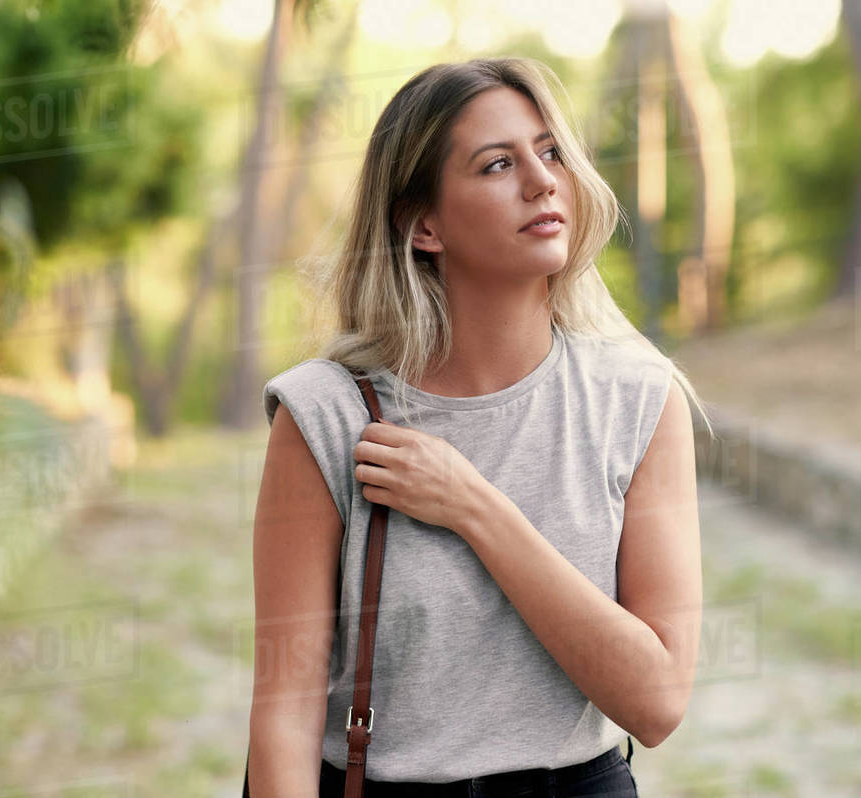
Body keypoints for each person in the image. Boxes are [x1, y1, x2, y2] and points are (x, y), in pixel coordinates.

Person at [247, 56, 711, 798]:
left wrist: (472, 504)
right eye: (498, 164)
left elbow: (656, 702)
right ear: (422, 224)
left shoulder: (640, 400)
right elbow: (283, 717)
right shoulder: (325, 417)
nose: (542, 180)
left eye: (550, 150)